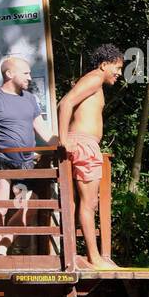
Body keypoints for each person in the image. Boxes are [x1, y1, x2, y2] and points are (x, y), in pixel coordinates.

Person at [0, 56, 56, 257]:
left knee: (28, 205)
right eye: (26, 73)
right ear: (9, 74)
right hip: (0, 161)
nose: (30, 77)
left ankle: (3, 244)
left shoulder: (30, 99)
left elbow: (42, 129)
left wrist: (61, 143)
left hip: (25, 164)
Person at [56, 44, 124, 269]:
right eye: (117, 67)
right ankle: (94, 258)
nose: (119, 73)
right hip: (84, 144)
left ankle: (82, 255)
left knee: (83, 203)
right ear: (104, 65)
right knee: (89, 203)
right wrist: (63, 139)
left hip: (85, 143)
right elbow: (65, 103)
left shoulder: (95, 82)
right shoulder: (94, 78)